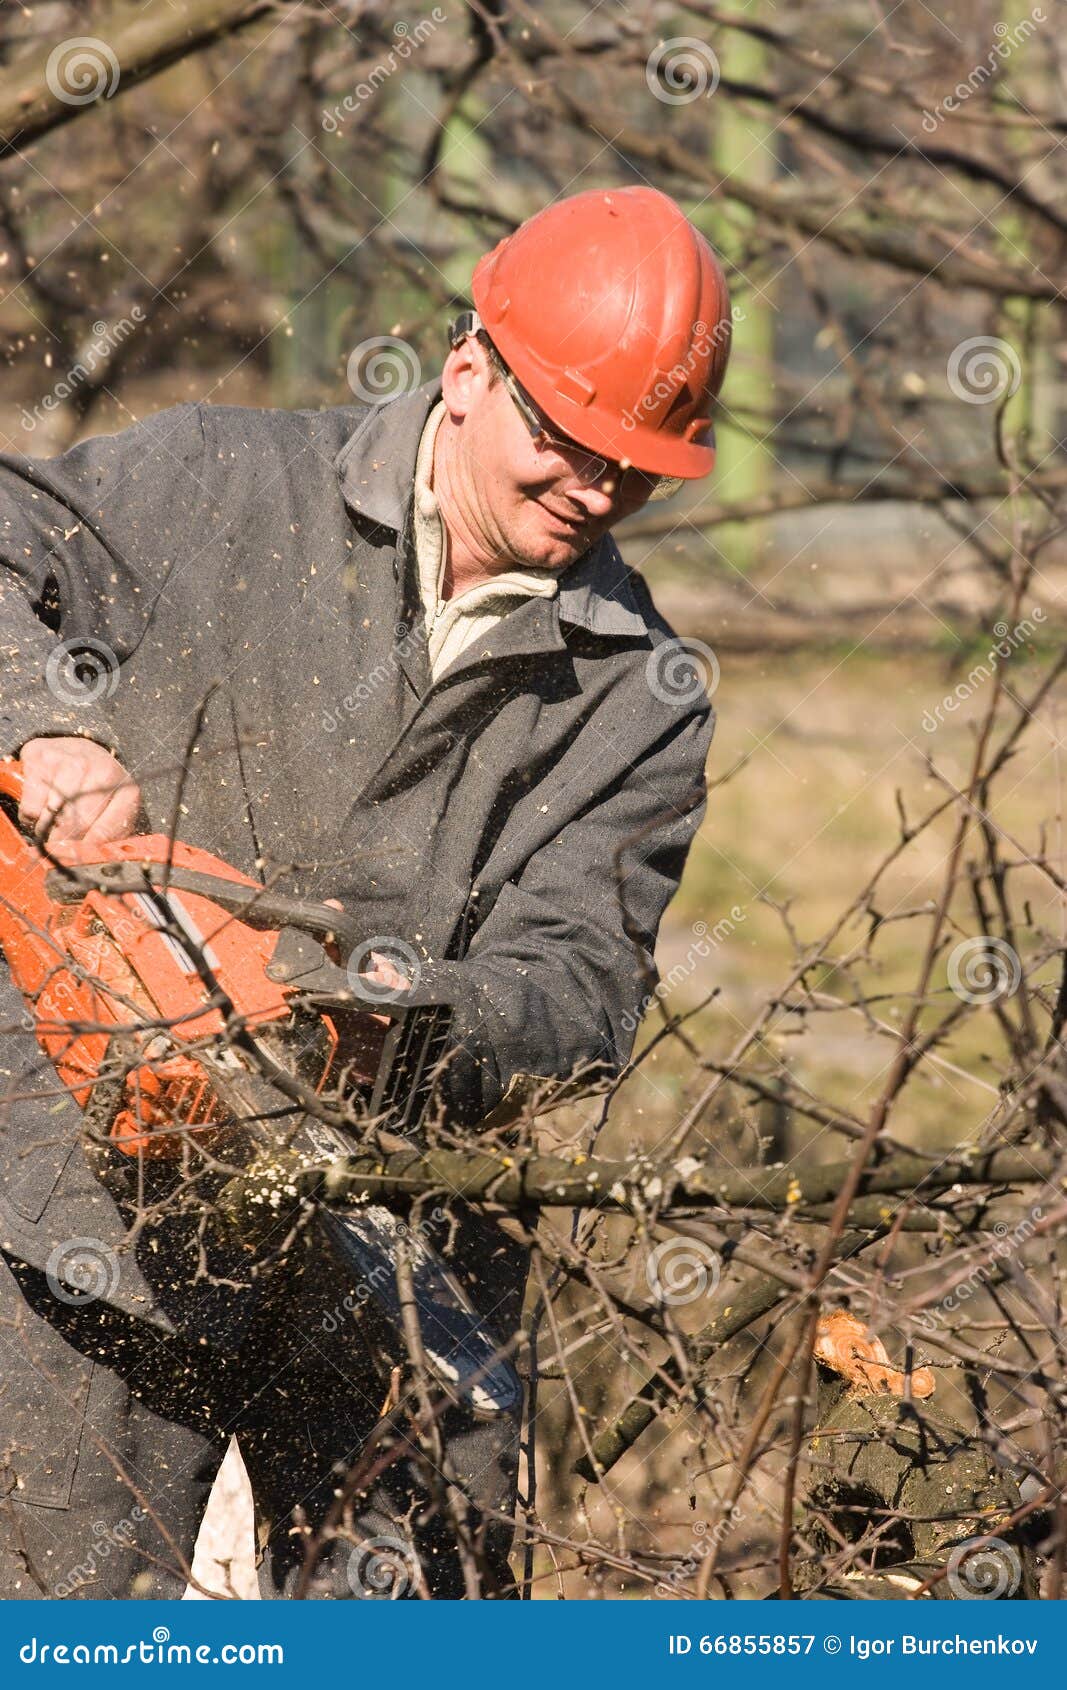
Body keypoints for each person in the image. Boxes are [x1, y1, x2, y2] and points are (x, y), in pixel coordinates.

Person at [0, 184, 731, 1598]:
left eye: (633, 470)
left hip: (397, 1254)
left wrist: (382, 1014)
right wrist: (42, 720)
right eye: (565, 443)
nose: (595, 491)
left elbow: (581, 987)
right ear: (468, 371)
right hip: (88, 1216)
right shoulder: (218, 482)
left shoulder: (642, 696)